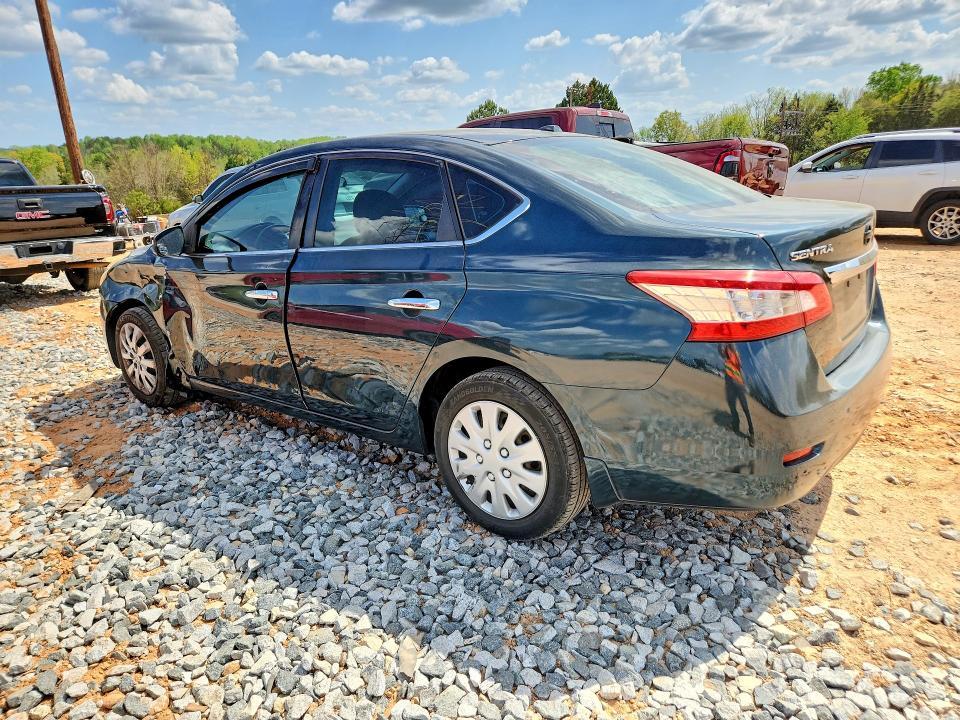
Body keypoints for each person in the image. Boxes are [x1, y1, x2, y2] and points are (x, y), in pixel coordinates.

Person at [720, 343, 754, 444]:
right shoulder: (726, 353)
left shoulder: (735, 354)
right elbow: (721, 350)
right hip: (729, 384)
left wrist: (731, 346)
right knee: (732, 406)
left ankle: (751, 433)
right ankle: (736, 425)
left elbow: (739, 363)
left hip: (738, 384)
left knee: (745, 408)